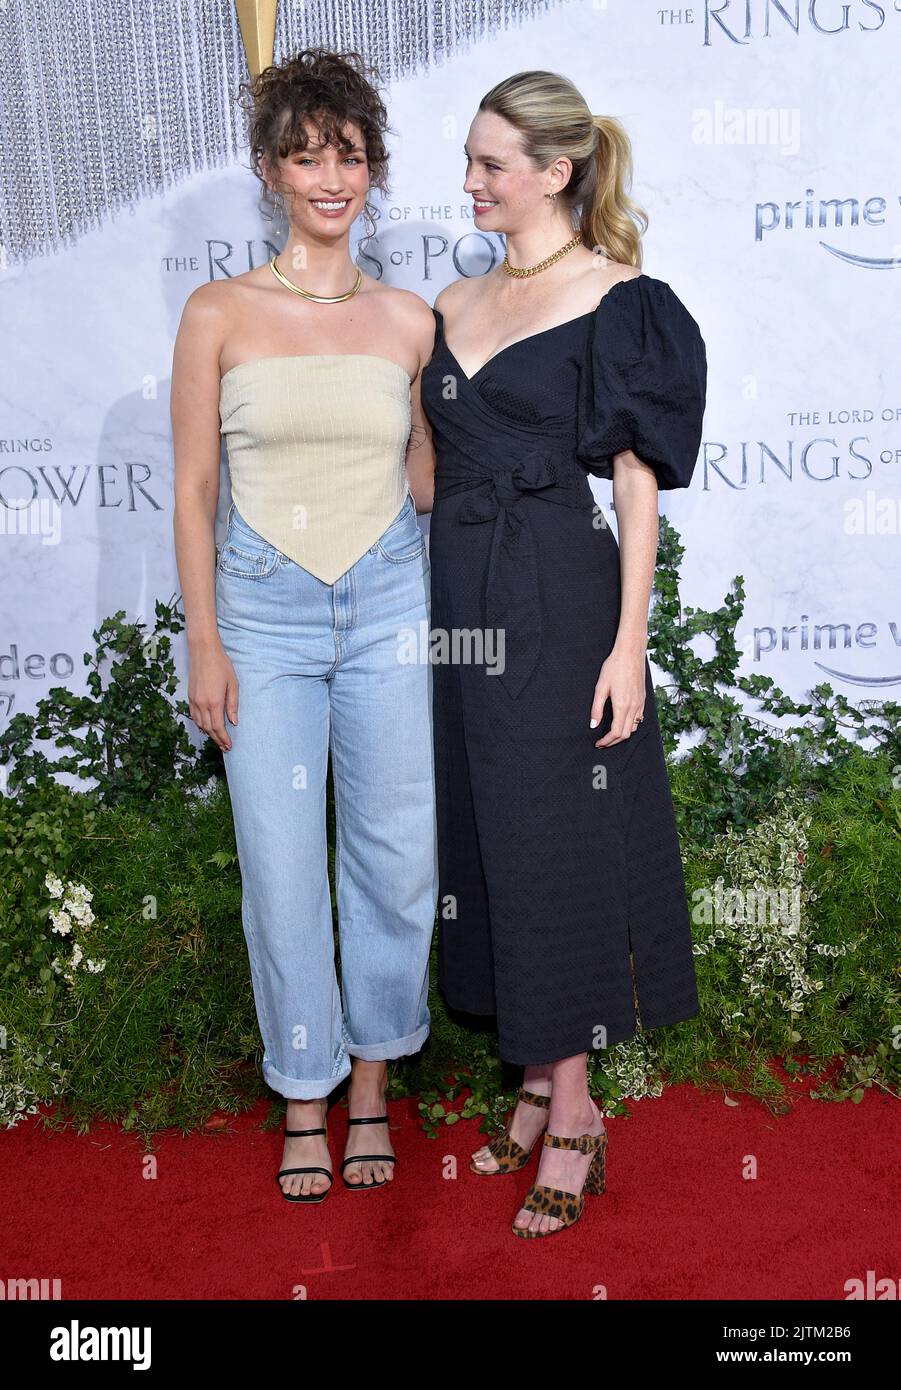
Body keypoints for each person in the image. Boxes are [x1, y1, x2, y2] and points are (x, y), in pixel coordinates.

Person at [420, 70, 707, 1239]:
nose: (473, 181)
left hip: (560, 589)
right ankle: (536, 1073)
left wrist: (628, 644)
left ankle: (577, 1106)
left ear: (557, 173)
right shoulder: (445, 298)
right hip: (457, 592)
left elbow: (635, 490)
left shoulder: (620, 299)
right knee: (479, 828)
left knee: (552, 835)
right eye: (472, 159)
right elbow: (422, 473)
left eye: (494, 164)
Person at [170, 48, 438, 1203]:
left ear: (372, 167)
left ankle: (373, 1081)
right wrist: (207, 640)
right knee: (281, 869)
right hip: (263, 618)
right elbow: (191, 489)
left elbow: (424, 472)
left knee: (394, 857)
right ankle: (302, 1088)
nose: (330, 175)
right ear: (271, 170)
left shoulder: (409, 317)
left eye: (349, 152)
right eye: (304, 153)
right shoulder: (218, 310)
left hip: (388, 603)